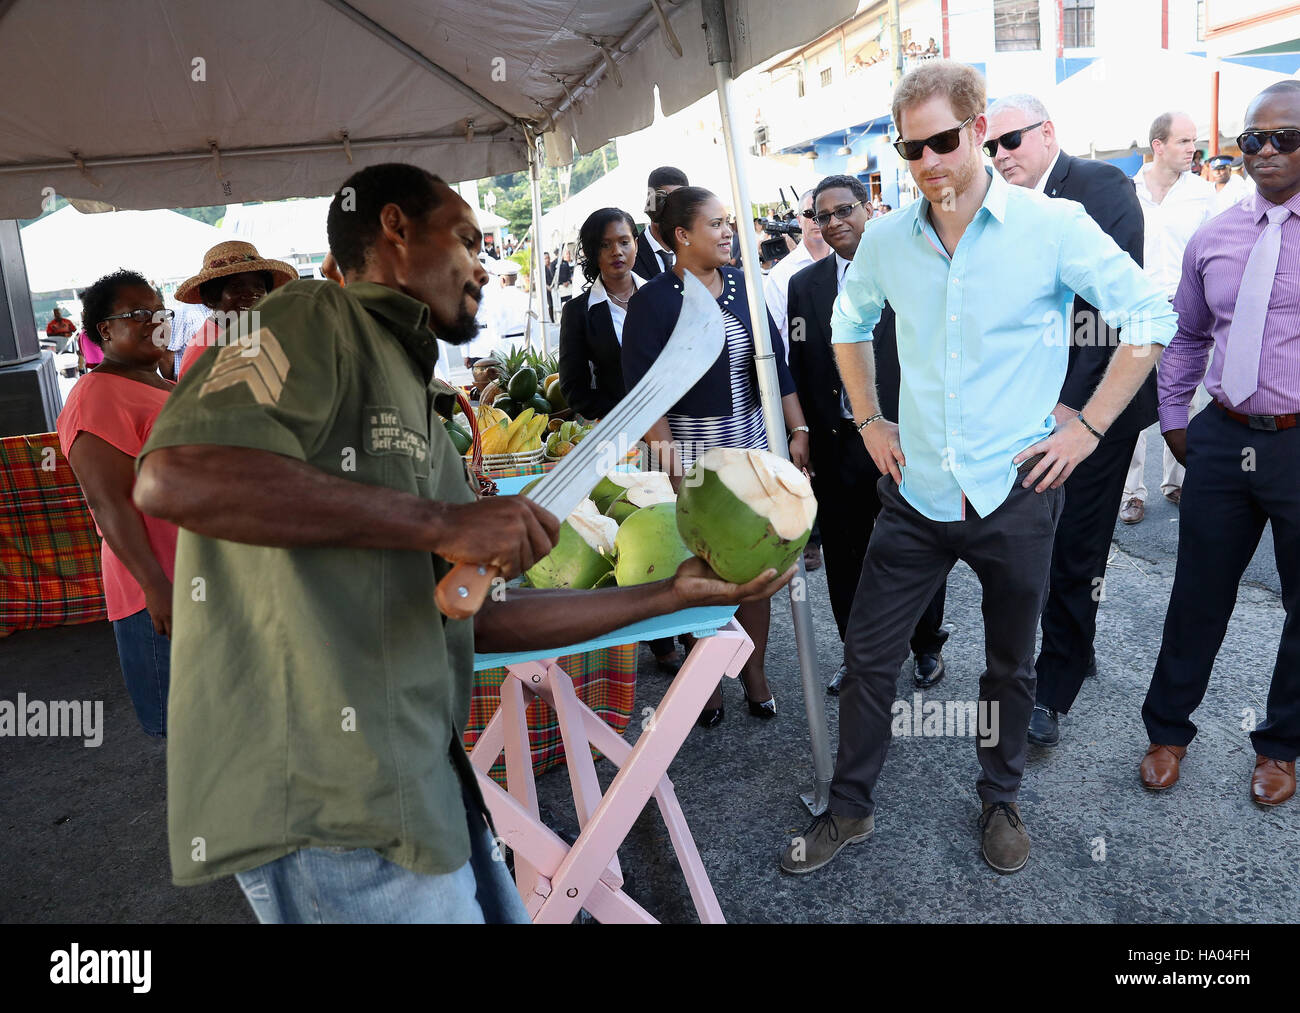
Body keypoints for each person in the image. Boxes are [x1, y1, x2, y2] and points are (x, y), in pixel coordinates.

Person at [132, 162, 793, 924]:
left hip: (425, 783)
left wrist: (669, 595)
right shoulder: (308, 316)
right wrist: (442, 524)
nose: (483, 263)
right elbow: (175, 476)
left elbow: (479, 616)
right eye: (468, 238)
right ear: (395, 228)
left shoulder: (420, 401)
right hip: (330, 800)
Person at [778, 60, 1175, 878]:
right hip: (917, 493)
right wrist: (868, 416)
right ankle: (848, 808)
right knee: (870, 654)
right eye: (909, 148)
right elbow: (849, 325)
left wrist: (1090, 427)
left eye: (943, 141)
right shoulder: (887, 238)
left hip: (1017, 491)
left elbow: (1150, 316)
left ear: (979, 127)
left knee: (1009, 663)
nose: (927, 162)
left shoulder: (1052, 225)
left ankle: (1000, 797)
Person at [1138, 82, 1300, 807]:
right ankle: (1167, 730)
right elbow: (1188, 332)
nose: (1265, 152)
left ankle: (1280, 746)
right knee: (1197, 593)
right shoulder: (1217, 232)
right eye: (1251, 140)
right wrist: (1176, 415)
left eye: (1284, 138)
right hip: (1223, 436)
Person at [985, 93, 1154, 748]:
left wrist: (1070, 410)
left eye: (1012, 141)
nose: (1000, 156)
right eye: (990, 146)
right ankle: (1069, 648)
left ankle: (1053, 688)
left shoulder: (1102, 188)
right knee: (1031, 540)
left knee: (1074, 545)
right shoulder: (1001, 208)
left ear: (1048, 133)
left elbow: (1105, 312)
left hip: (1098, 409)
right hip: (1029, 406)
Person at [622, 186, 810, 728]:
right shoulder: (654, 300)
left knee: (757, 557)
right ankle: (704, 679)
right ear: (682, 236)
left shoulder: (743, 289)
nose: (728, 232)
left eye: (729, 222)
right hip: (690, 448)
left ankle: (754, 671)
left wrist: (797, 430)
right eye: (715, 224)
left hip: (750, 441)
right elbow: (644, 397)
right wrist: (675, 471)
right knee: (701, 566)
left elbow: (777, 366)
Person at [786, 174, 950, 696]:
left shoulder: (911, 273)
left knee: (918, 549)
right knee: (846, 555)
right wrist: (805, 431)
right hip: (837, 447)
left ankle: (925, 647)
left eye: (844, 210)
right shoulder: (803, 287)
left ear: (868, 210)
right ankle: (859, 656)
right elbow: (802, 364)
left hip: (905, 439)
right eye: (822, 215)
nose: (834, 223)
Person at [56, 270, 178, 737]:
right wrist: (155, 586)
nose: (154, 321)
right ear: (105, 330)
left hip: (204, 576)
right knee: (190, 728)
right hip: (160, 583)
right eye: (139, 314)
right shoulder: (96, 395)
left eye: (159, 312)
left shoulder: (163, 386)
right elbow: (109, 503)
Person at [1120, 111, 1216, 523]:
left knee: (1186, 400)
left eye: (1193, 141)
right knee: (1129, 401)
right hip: (1136, 313)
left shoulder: (1205, 194)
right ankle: (1130, 492)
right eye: (1182, 141)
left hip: (1187, 314)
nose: (1192, 149)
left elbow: (1216, 252)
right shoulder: (1125, 191)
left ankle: (1178, 482)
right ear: (1157, 145)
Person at [558, 208, 645, 419]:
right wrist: (620, 413)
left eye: (624, 242)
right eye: (605, 245)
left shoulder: (661, 296)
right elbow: (574, 389)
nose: (616, 251)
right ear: (590, 251)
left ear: (636, 244)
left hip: (679, 425)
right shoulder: (578, 312)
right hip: (622, 433)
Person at [174, 241, 297, 380]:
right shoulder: (206, 353)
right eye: (237, 287)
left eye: (259, 287)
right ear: (213, 296)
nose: (252, 294)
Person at [763, 189, 830, 358]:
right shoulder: (781, 274)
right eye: (809, 213)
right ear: (799, 220)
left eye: (822, 213)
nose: (816, 219)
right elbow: (772, 334)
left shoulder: (848, 263)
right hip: (800, 374)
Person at [633, 166, 688, 279]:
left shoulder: (697, 252)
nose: (674, 209)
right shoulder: (630, 256)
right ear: (651, 201)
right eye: (666, 200)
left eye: (680, 202)